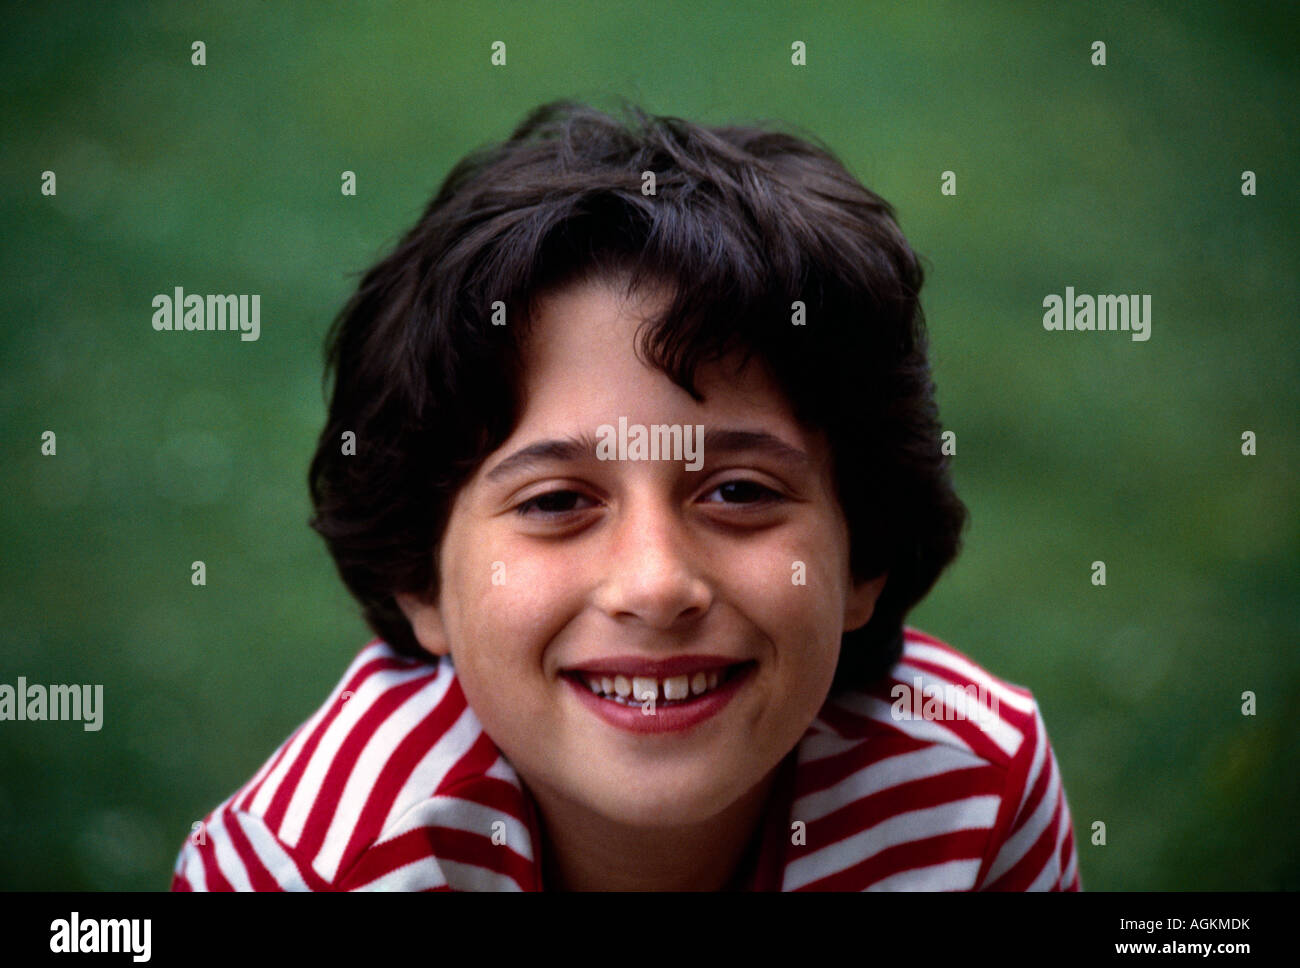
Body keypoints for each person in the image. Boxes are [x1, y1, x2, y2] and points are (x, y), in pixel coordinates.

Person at [170, 100, 1079, 891]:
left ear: (865, 552)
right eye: (557, 502)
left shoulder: (976, 782)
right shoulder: (306, 874)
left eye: (738, 490)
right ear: (419, 575)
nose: (654, 584)